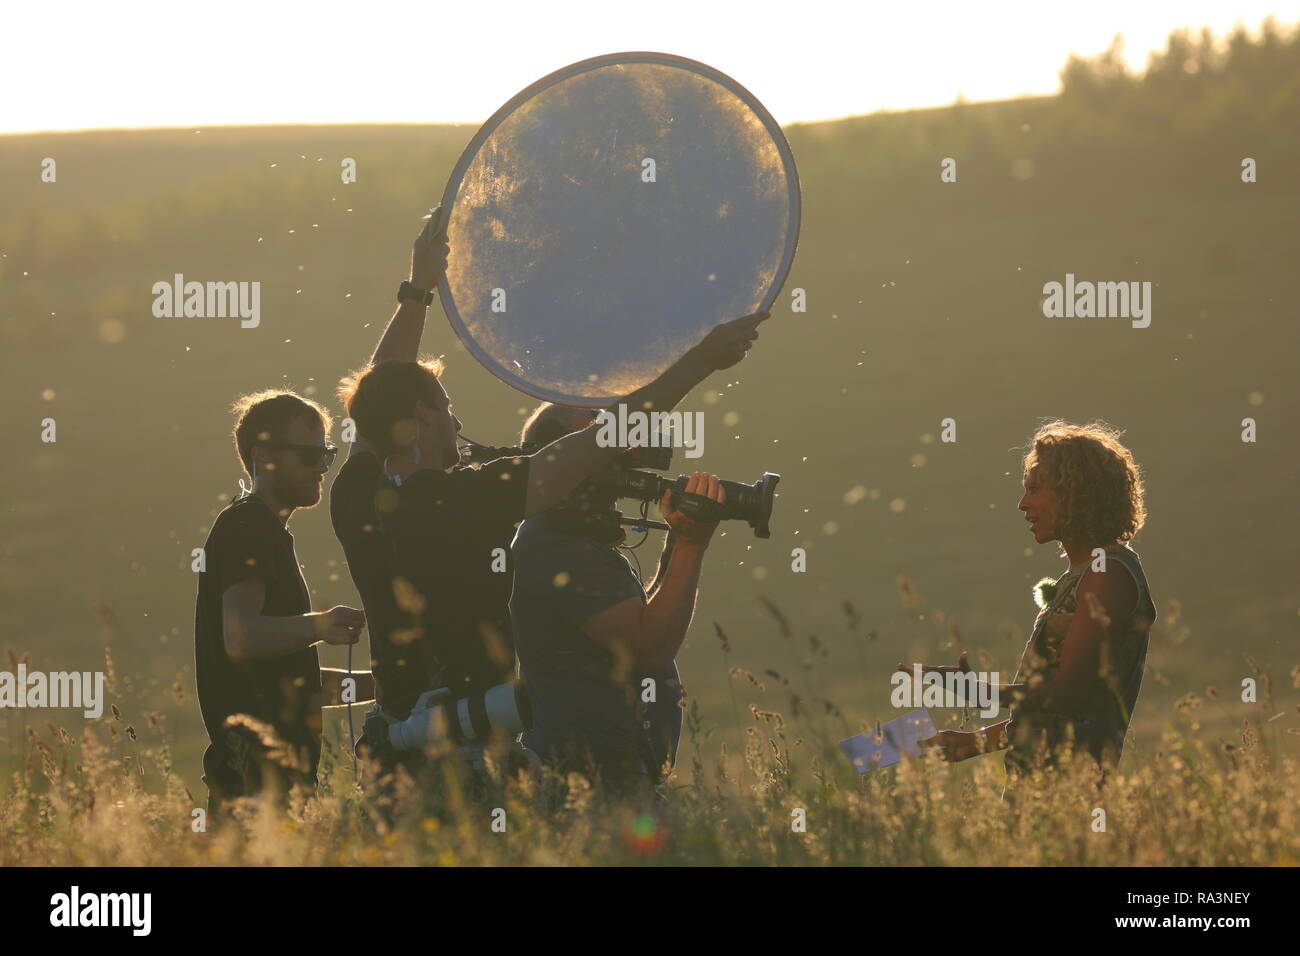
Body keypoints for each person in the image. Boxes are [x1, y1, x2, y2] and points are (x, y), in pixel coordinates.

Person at [329, 209, 767, 809]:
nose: (458, 422)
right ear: (423, 418)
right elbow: (585, 451)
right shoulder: (460, 498)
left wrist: (418, 291)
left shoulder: (357, 495)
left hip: (392, 743)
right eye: (446, 406)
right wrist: (698, 361)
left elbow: (378, 396)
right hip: (461, 757)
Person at [906, 420, 1155, 783]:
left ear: (1075, 493)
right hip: (1044, 793)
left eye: (1035, 489)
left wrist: (980, 692)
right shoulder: (1089, 574)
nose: (1023, 504)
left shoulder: (1108, 574)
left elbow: (1068, 693)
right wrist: (974, 743)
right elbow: (1061, 712)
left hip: (1073, 793)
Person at [509, 403, 725, 796]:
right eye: (604, 446)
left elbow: (640, 622)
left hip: (603, 770)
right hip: (593, 781)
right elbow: (649, 645)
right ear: (569, 462)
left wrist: (677, 539)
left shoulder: (562, 536)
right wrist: (693, 545)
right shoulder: (559, 549)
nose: (625, 458)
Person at [195, 390, 373, 817]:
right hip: (254, 789)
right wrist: (321, 626)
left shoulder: (265, 529)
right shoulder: (248, 524)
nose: (321, 468)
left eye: (326, 455)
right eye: (308, 455)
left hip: (274, 788)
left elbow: (296, 681)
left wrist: (384, 684)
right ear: (262, 456)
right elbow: (241, 638)